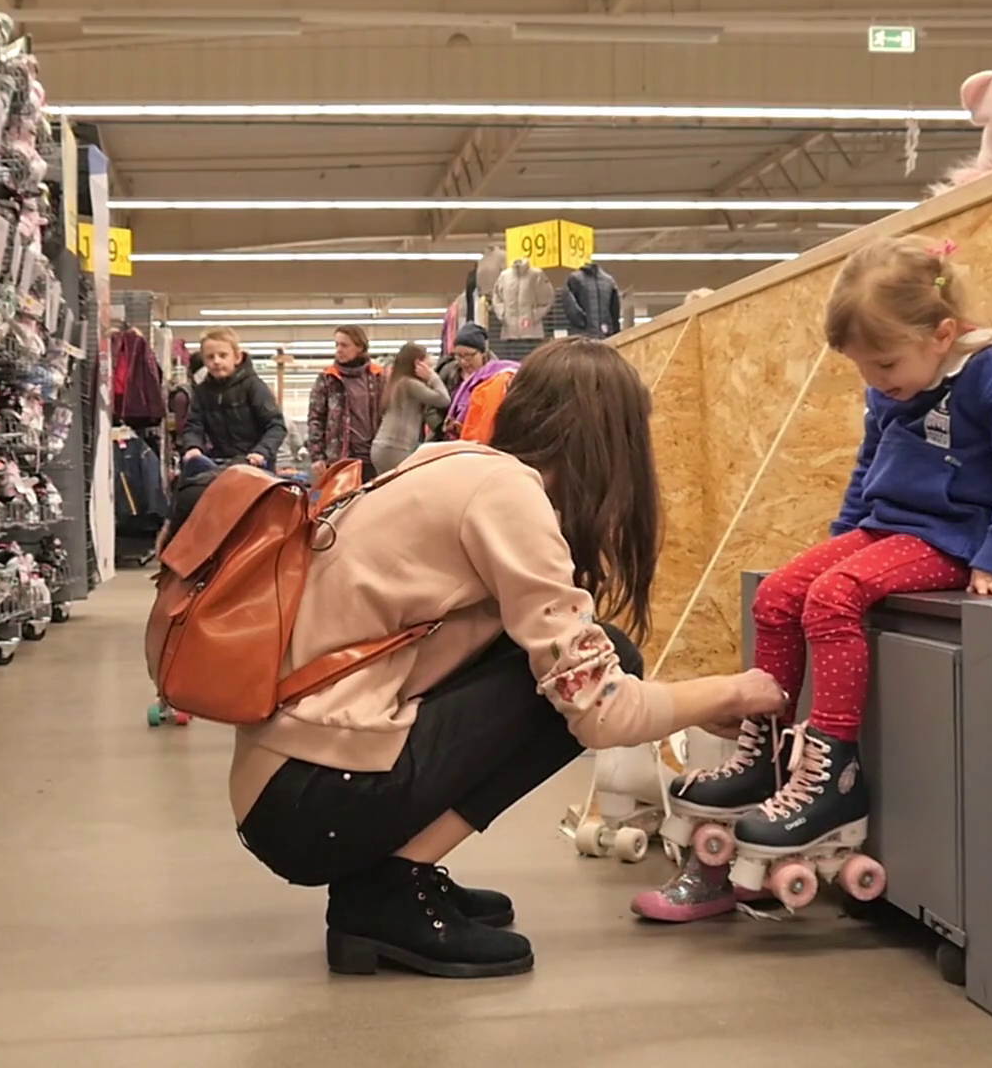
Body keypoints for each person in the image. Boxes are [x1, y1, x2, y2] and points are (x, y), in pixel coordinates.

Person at [231, 338, 791, 979]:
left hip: (291, 782)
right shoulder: (509, 498)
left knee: (570, 663)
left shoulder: (455, 464)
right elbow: (600, 709)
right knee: (603, 669)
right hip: (313, 800)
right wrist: (731, 693)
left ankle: (388, 878)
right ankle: (385, 892)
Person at [635, 234, 992, 921]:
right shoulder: (895, 382)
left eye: (886, 363)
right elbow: (869, 466)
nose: (878, 381)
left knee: (834, 600)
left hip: (952, 538)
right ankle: (764, 757)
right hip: (886, 529)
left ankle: (832, 775)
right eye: (865, 368)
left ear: (943, 333)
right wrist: (840, 542)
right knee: (780, 593)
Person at [177, 327, 286, 477]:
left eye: (223, 355)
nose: (216, 361)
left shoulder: (254, 386)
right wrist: (193, 447)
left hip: (255, 466)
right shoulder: (202, 392)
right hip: (218, 464)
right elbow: (194, 426)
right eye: (210, 357)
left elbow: (276, 425)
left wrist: (261, 452)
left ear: (237, 357)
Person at [307, 325, 388, 481]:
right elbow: (315, 418)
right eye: (336, 345)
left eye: (344, 345)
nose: (339, 350)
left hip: (374, 457)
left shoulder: (378, 376)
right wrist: (317, 456)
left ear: (360, 347)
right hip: (339, 459)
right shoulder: (328, 378)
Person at [369, 342, 451, 475]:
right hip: (397, 448)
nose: (431, 364)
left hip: (382, 447)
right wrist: (432, 377)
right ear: (418, 363)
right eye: (427, 360)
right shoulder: (410, 384)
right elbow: (443, 399)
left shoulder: (396, 383)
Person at [441, 323, 516, 442]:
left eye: (469, 356)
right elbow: (432, 409)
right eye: (458, 356)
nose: (463, 361)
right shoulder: (449, 374)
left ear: (482, 353)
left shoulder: (498, 377)